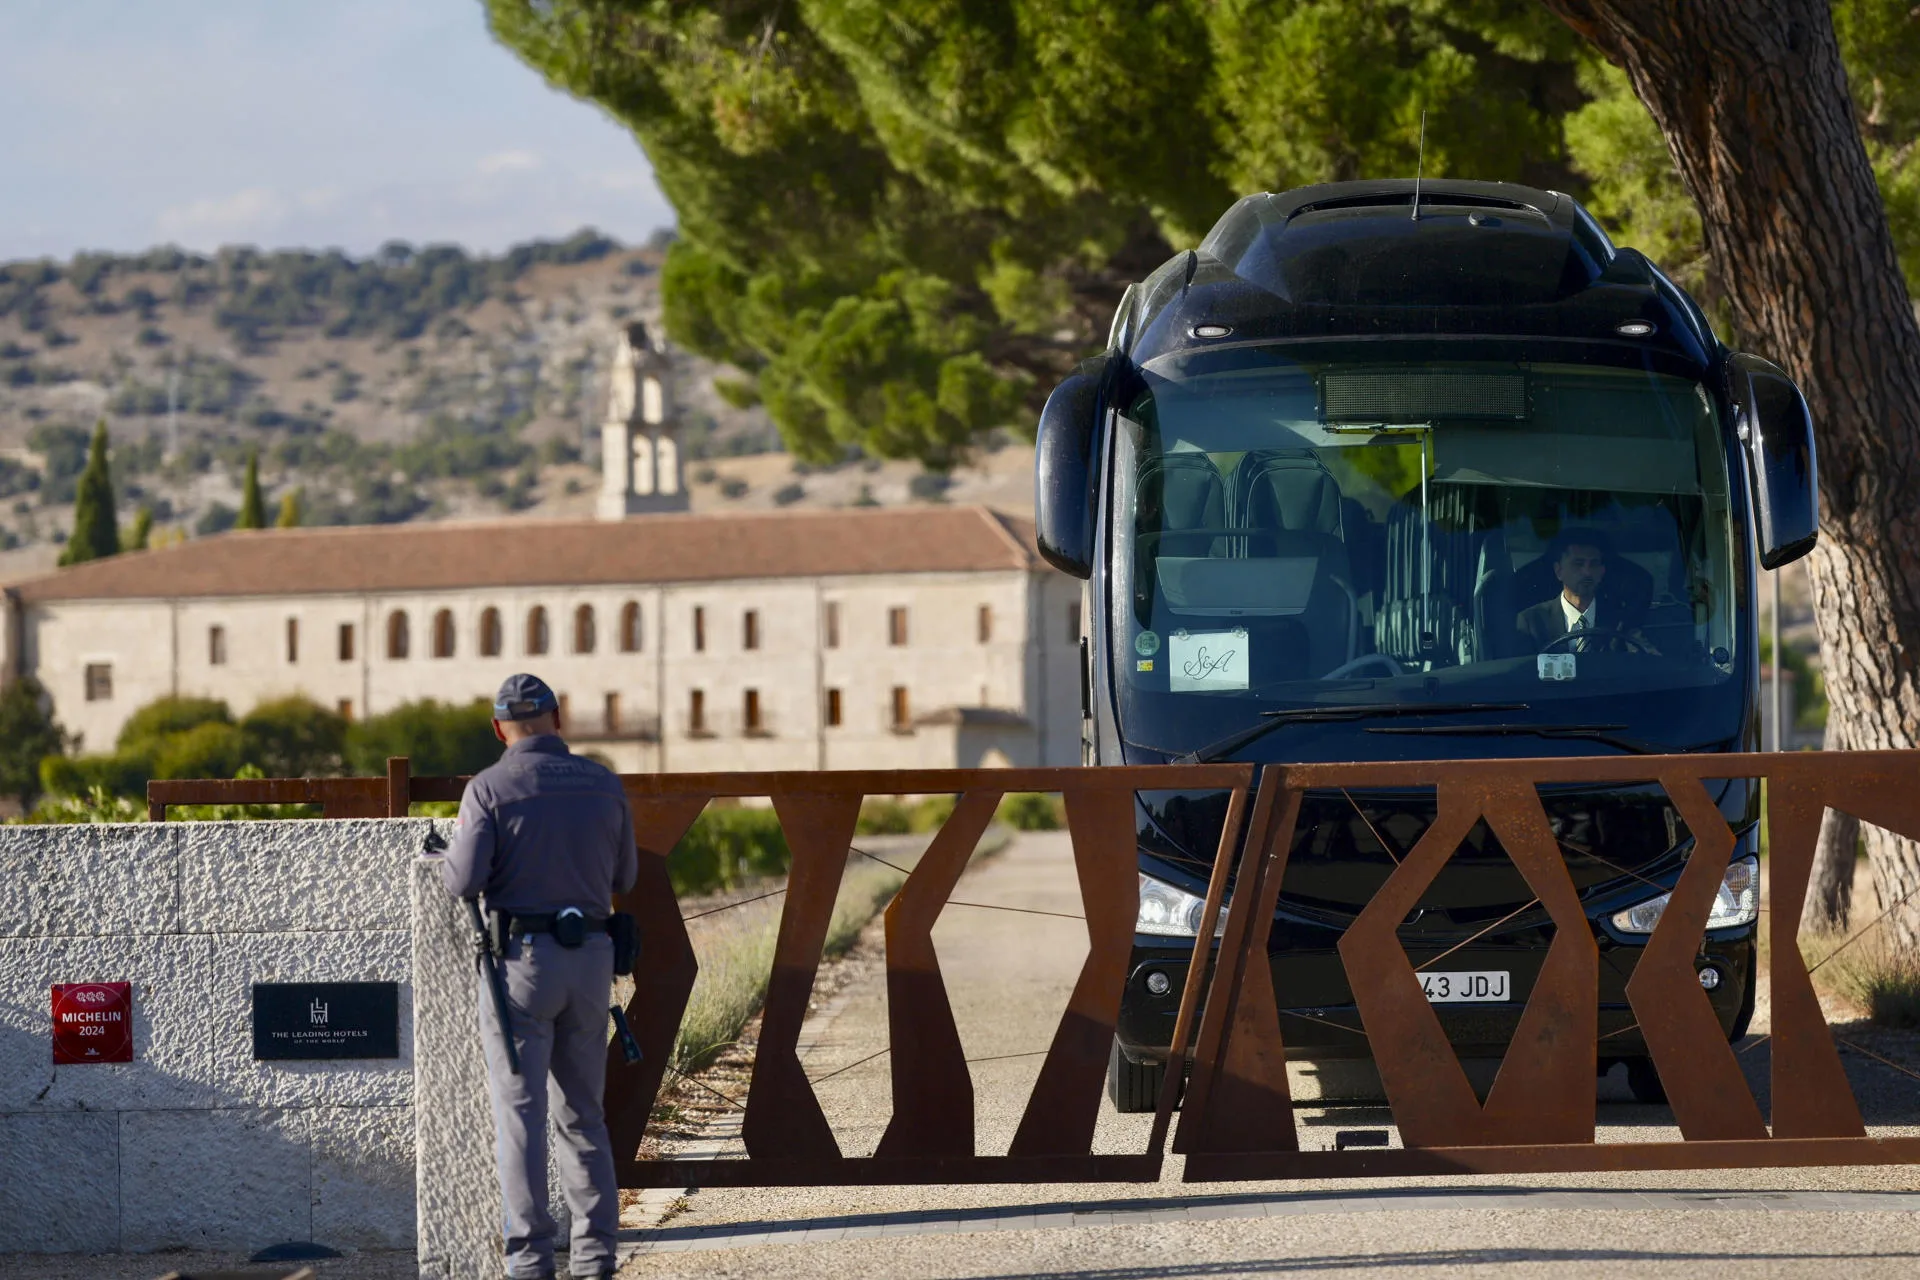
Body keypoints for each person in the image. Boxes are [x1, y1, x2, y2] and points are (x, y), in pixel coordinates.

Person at [439, 673, 638, 1280]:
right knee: (584, 1114)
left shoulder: (489, 788)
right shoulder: (605, 784)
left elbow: (463, 880)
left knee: (521, 1115)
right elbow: (625, 876)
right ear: (560, 718)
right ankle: (596, 1259)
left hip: (522, 965)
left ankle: (529, 1264)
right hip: (592, 961)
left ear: (499, 728)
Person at [1516, 529, 1653, 654]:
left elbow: (1642, 656)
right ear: (1559, 571)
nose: (1587, 572)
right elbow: (1521, 674)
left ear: (1602, 572)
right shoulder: (1531, 621)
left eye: (1593, 564)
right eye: (1578, 564)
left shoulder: (1620, 618)